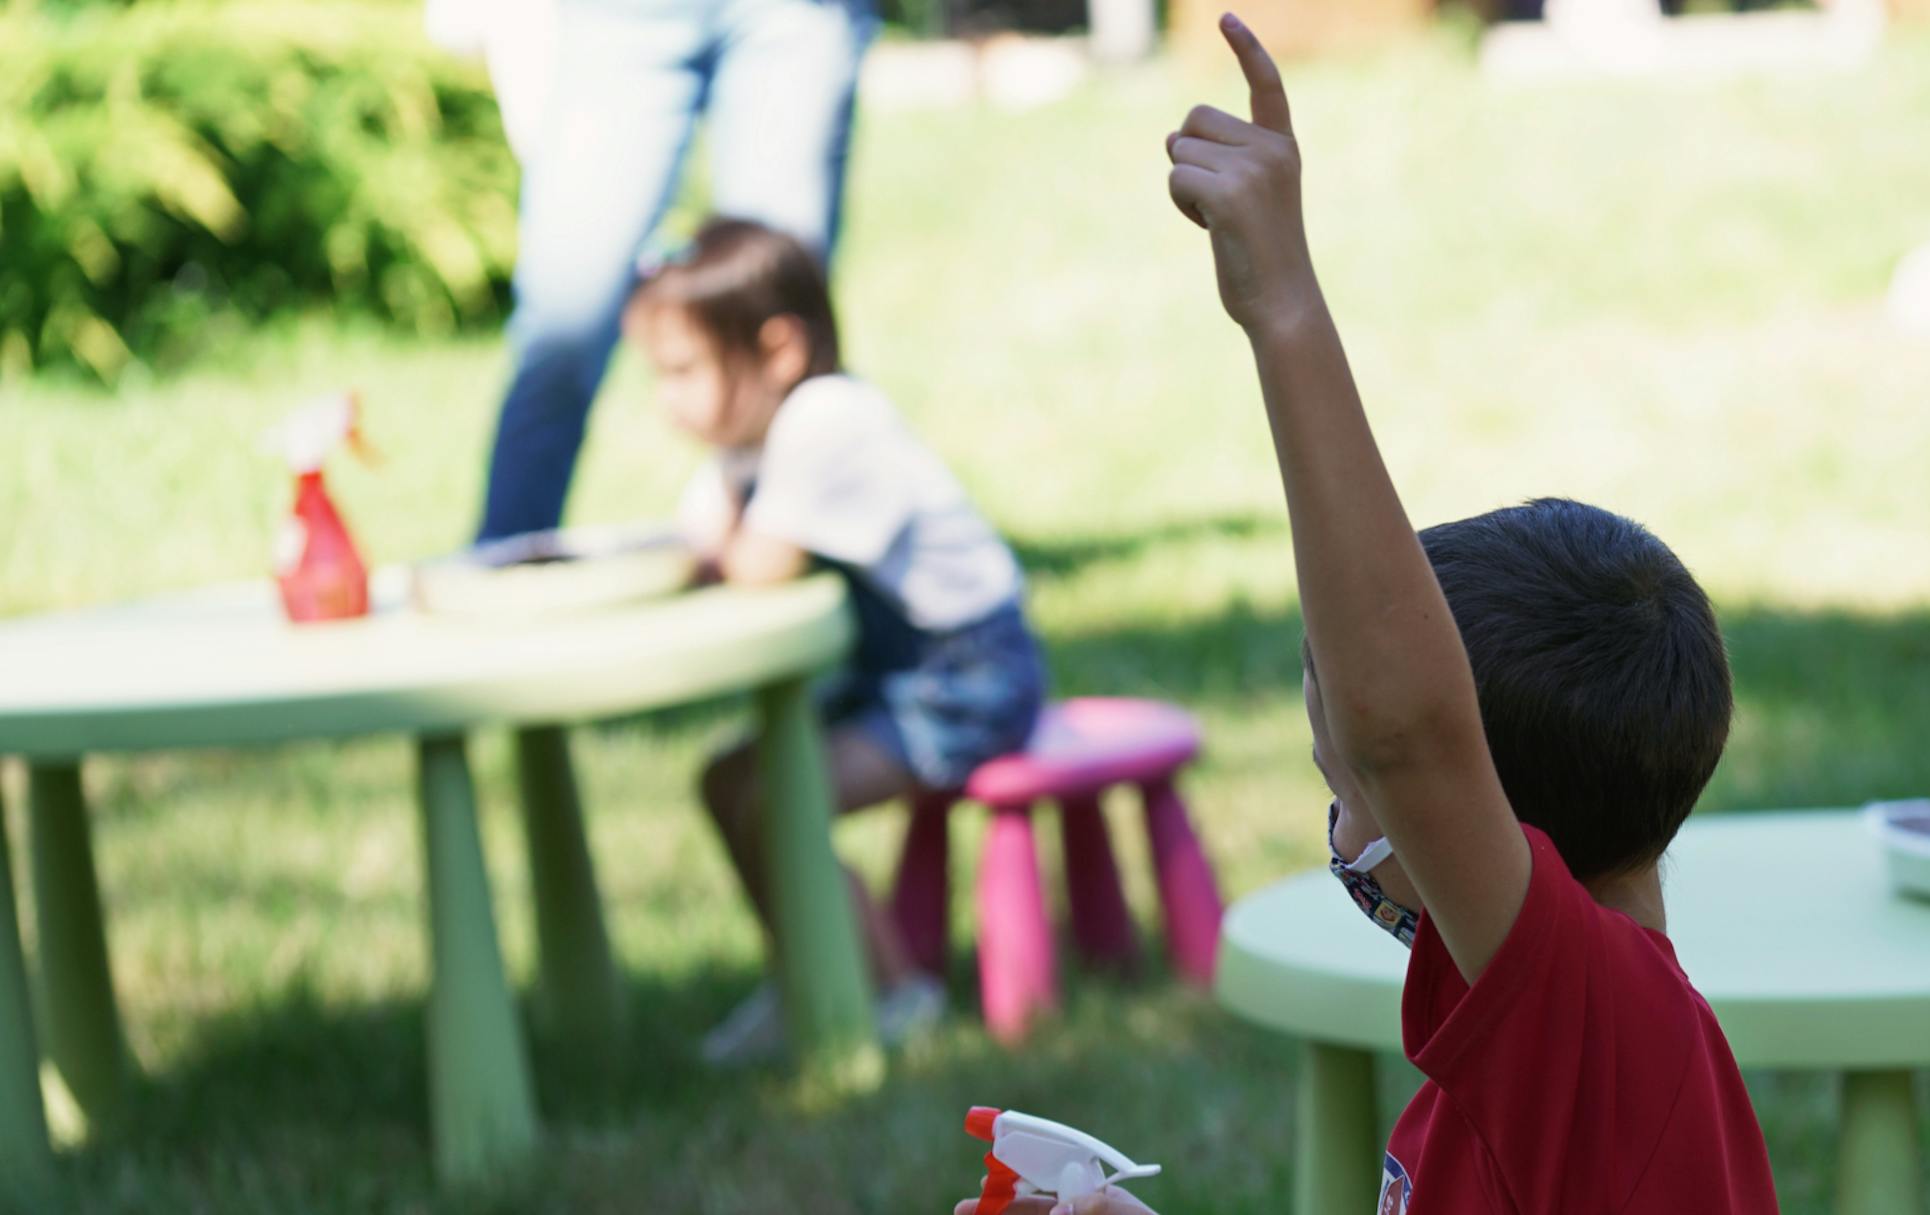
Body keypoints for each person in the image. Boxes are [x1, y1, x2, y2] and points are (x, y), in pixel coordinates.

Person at [1161, 16, 1780, 1211]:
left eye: (1349, 789)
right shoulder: (1526, 1064)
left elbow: (1408, 729)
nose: (1341, 820)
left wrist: (1282, 307)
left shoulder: (1595, 1031)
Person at [633, 217, 1050, 1065]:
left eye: (680, 370)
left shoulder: (826, 419)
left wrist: (709, 547)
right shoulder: (757, 434)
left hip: (967, 674)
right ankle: (806, 975)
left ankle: (898, 992)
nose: (663, 398)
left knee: (783, 792)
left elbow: (754, 565)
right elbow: (696, 545)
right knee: (725, 781)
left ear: (777, 349)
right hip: (892, 674)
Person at [477, 0, 878, 543]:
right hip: (622, 19)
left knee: (775, 314)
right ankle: (501, 565)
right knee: (565, 317)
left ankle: (795, 565)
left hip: (795, 14)